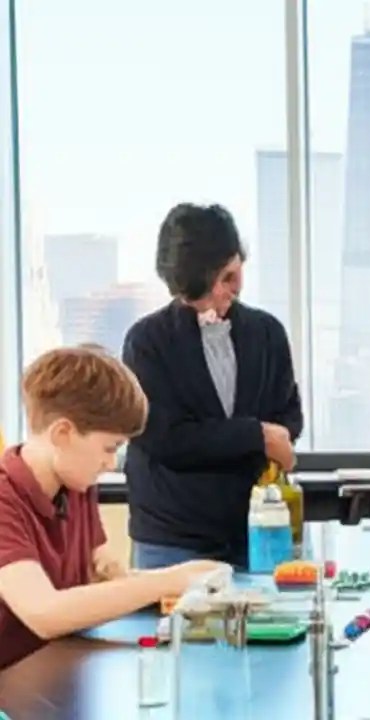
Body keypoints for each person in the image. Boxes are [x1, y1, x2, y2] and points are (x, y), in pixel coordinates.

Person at [0, 347, 229, 670]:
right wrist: (170, 579)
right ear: (62, 433)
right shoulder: (5, 498)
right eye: (109, 448)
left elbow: (102, 577)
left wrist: (191, 580)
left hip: (52, 674)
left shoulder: (75, 483)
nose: (110, 463)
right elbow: (43, 612)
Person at [122, 203, 303, 569]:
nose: (212, 303)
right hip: (171, 541)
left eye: (223, 282)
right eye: (195, 297)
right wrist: (258, 437)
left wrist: (272, 436)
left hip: (255, 533)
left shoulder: (267, 334)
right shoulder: (147, 341)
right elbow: (165, 439)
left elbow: (289, 416)